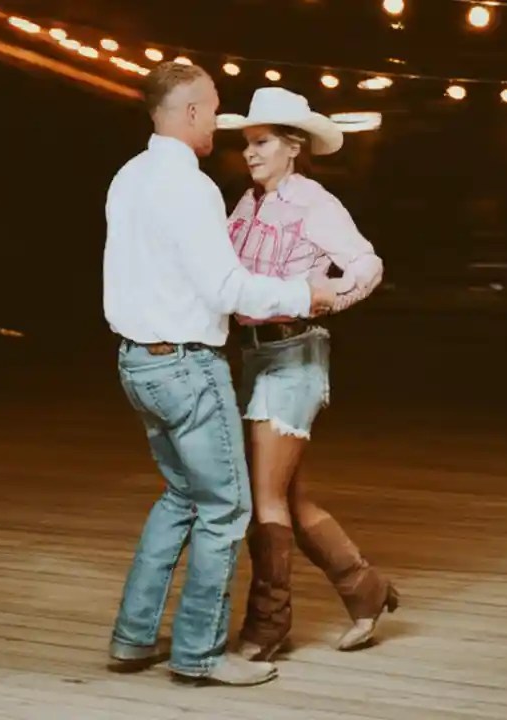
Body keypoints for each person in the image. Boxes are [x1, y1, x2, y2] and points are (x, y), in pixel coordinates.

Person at [103, 63, 336, 686]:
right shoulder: (191, 187)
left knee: (181, 496)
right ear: (188, 113)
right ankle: (201, 655)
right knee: (226, 510)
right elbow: (226, 285)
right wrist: (303, 293)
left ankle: (132, 638)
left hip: (135, 362)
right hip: (184, 366)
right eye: (211, 111)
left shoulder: (128, 177)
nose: (218, 124)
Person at [220, 87, 398, 662]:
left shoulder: (317, 203)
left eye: (262, 142)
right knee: (290, 499)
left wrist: (325, 300)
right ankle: (364, 588)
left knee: (262, 497)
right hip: (252, 356)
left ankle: (268, 628)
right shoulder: (245, 204)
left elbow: (368, 263)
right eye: (247, 143)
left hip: (294, 356)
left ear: (294, 146)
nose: (250, 153)